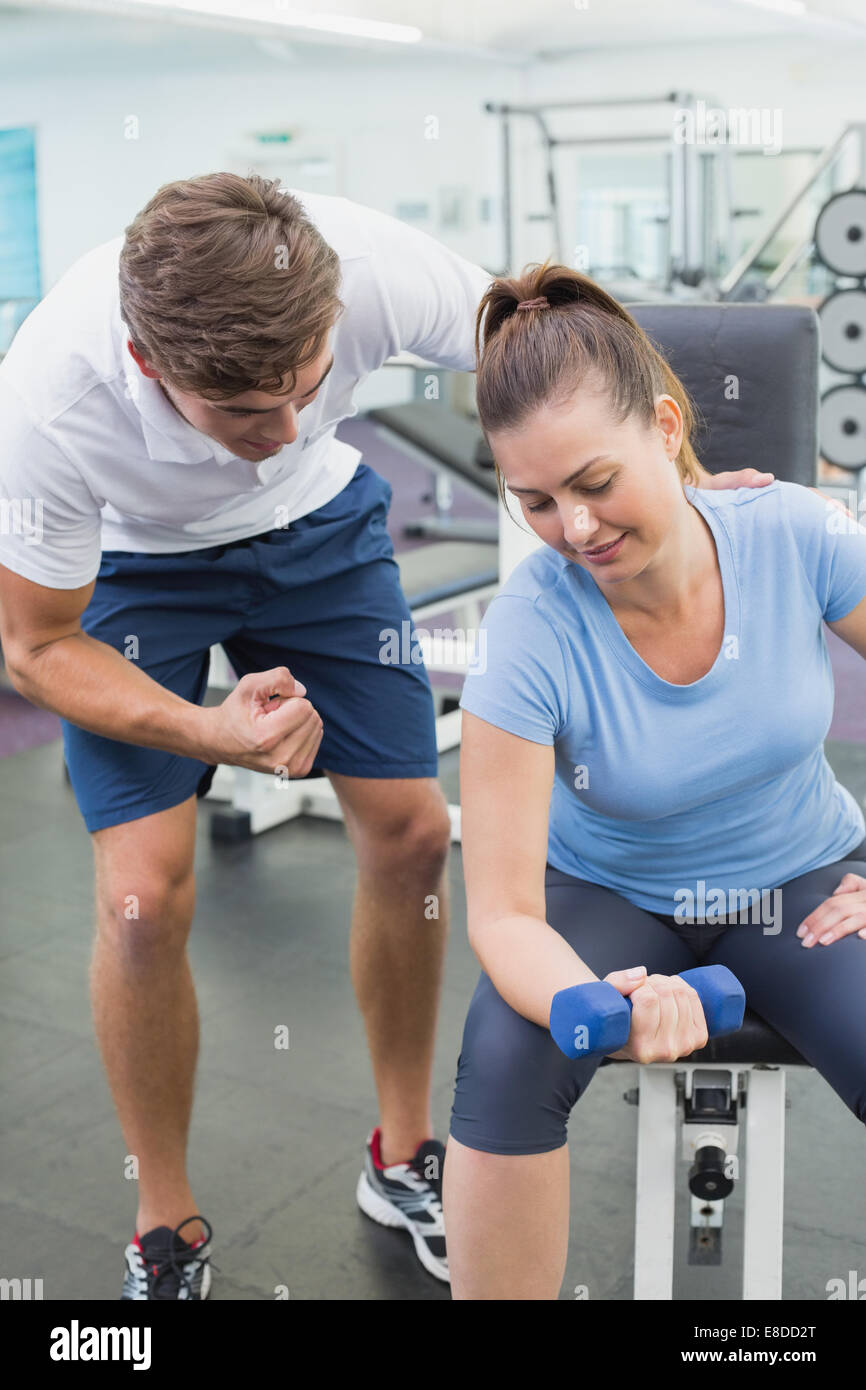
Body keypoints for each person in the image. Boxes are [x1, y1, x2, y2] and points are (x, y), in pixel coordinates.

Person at [0, 175, 773, 1299]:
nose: (272, 438)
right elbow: (35, 647)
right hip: (129, 570)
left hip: (322, 534)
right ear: (149, 366)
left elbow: (561, 342)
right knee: (142, 896)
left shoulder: (369, 269)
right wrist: (208, 733)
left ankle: (403, 1152)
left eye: (302, 394)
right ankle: (163, 1219)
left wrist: (685, 485)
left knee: (412, 833)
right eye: (239, 418)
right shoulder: (47, 402)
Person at [442, 263, 866, 1301]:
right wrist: (587, 997)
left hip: (798, 883)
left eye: (593, 483)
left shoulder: (797, 534)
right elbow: (499, 914)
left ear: (665, 428)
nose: (573, 529)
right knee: (504, 1051)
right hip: (606, 898)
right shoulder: (529, 631)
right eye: (535, 501)